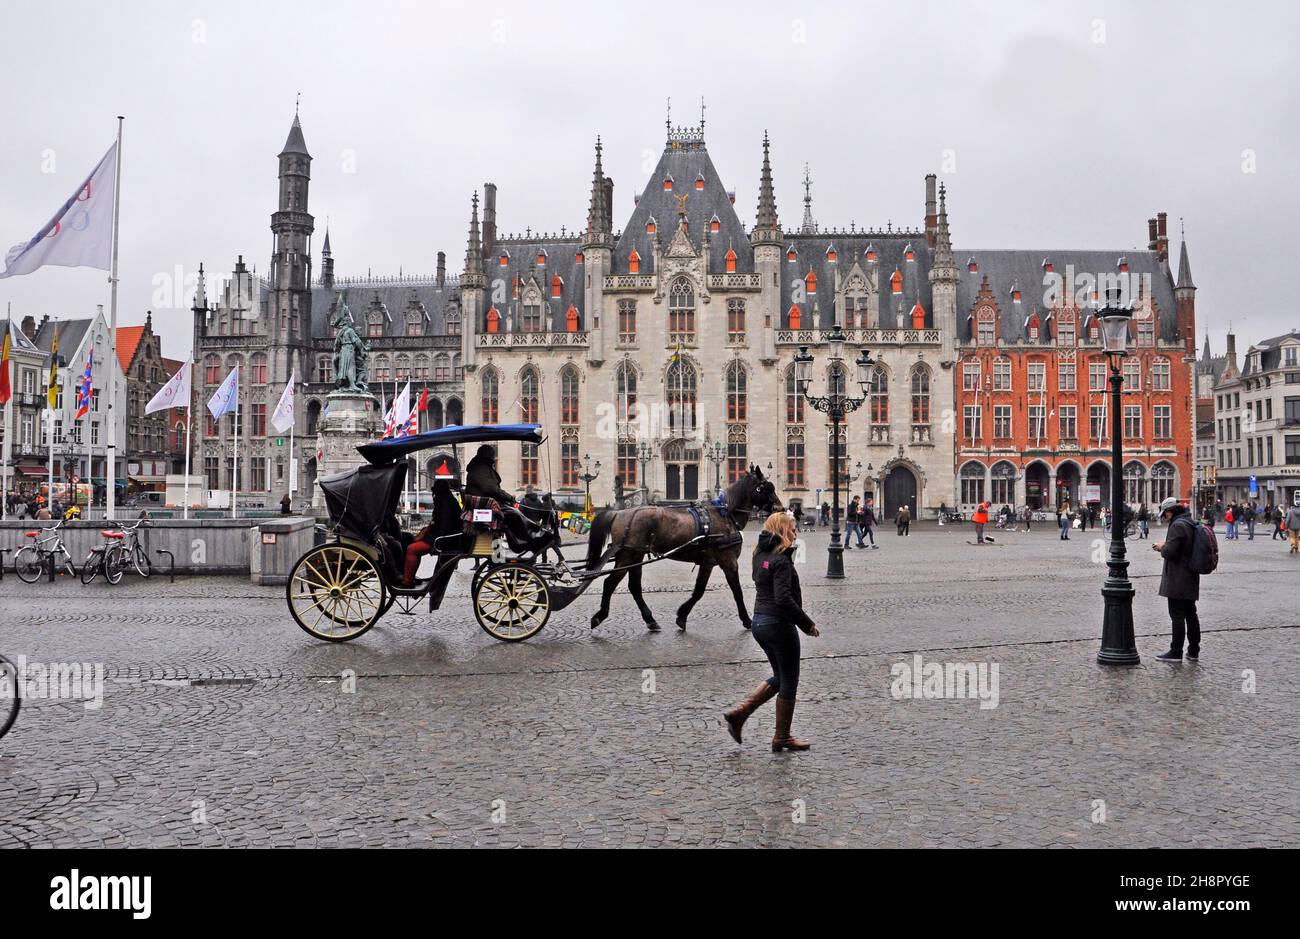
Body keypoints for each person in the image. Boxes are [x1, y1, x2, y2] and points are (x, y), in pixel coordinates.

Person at [723, 512, 818, 752]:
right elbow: (783, 599)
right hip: (778, 625)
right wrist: (807, 624)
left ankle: (740, 713)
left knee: (779, 676)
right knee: (789, 682)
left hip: (760, 624)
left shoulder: (759, 555)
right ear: (783, 530)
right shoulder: (781, 560)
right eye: (793, 529)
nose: (796, 533)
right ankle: (782, 737)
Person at [1153, 497, 1202, 662]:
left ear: (1170, 511)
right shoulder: (1189, 522)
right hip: (1190, 575)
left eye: (1165, 514)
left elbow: (1170, 552)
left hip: (1178, 577)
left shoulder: (1177, 525)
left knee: (1177, 615)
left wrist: (1162, 547)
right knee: (1190, 613)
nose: (1165, 518)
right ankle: (1194, 650)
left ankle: (1176, 651)